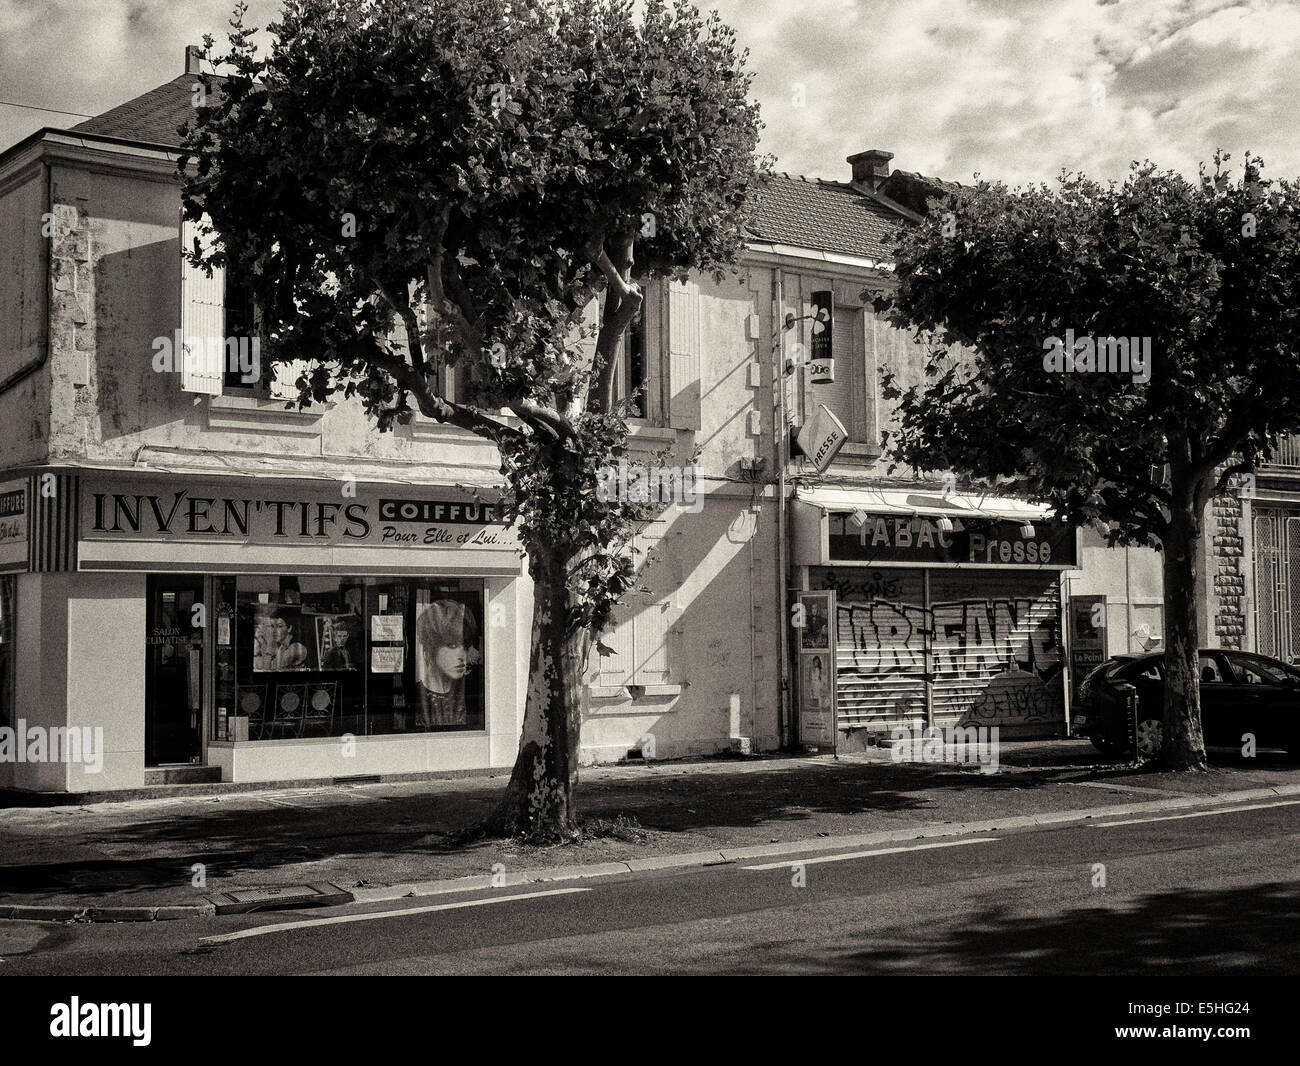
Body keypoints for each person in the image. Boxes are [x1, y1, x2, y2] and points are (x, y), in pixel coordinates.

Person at [414, 600, 480, 728]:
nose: (462, 656)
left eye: (465, 646)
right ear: (431, 648)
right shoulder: (416, 696)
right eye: (452, 645)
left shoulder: (471, 693)